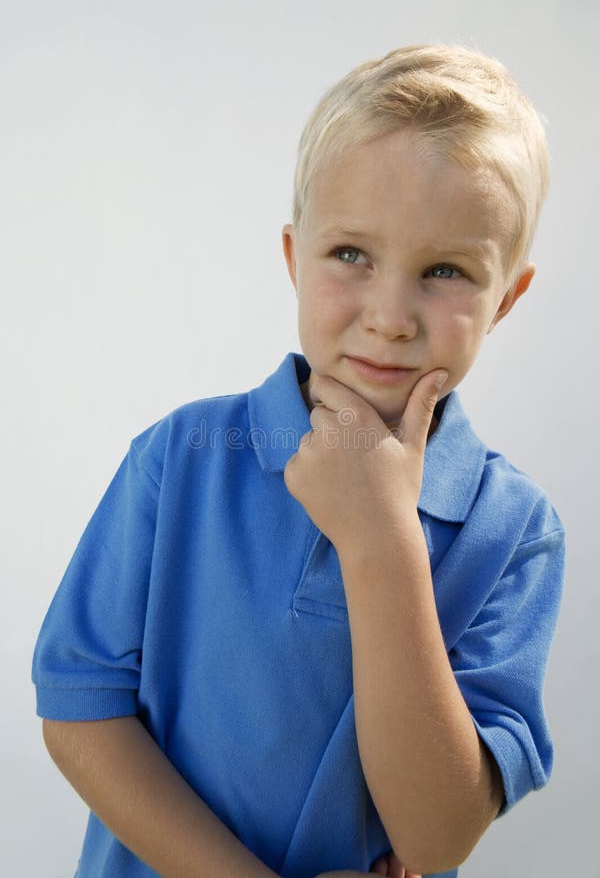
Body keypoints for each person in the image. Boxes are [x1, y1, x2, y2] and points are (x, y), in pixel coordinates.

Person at [32, 43, 565, 878]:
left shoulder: (515, 532)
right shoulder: (182, 460)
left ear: (506, 298)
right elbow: (78, 712)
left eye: (446, 271)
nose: (389, 317)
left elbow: (436, 837)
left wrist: (380, 537)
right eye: (352, 255)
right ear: (293, 258)